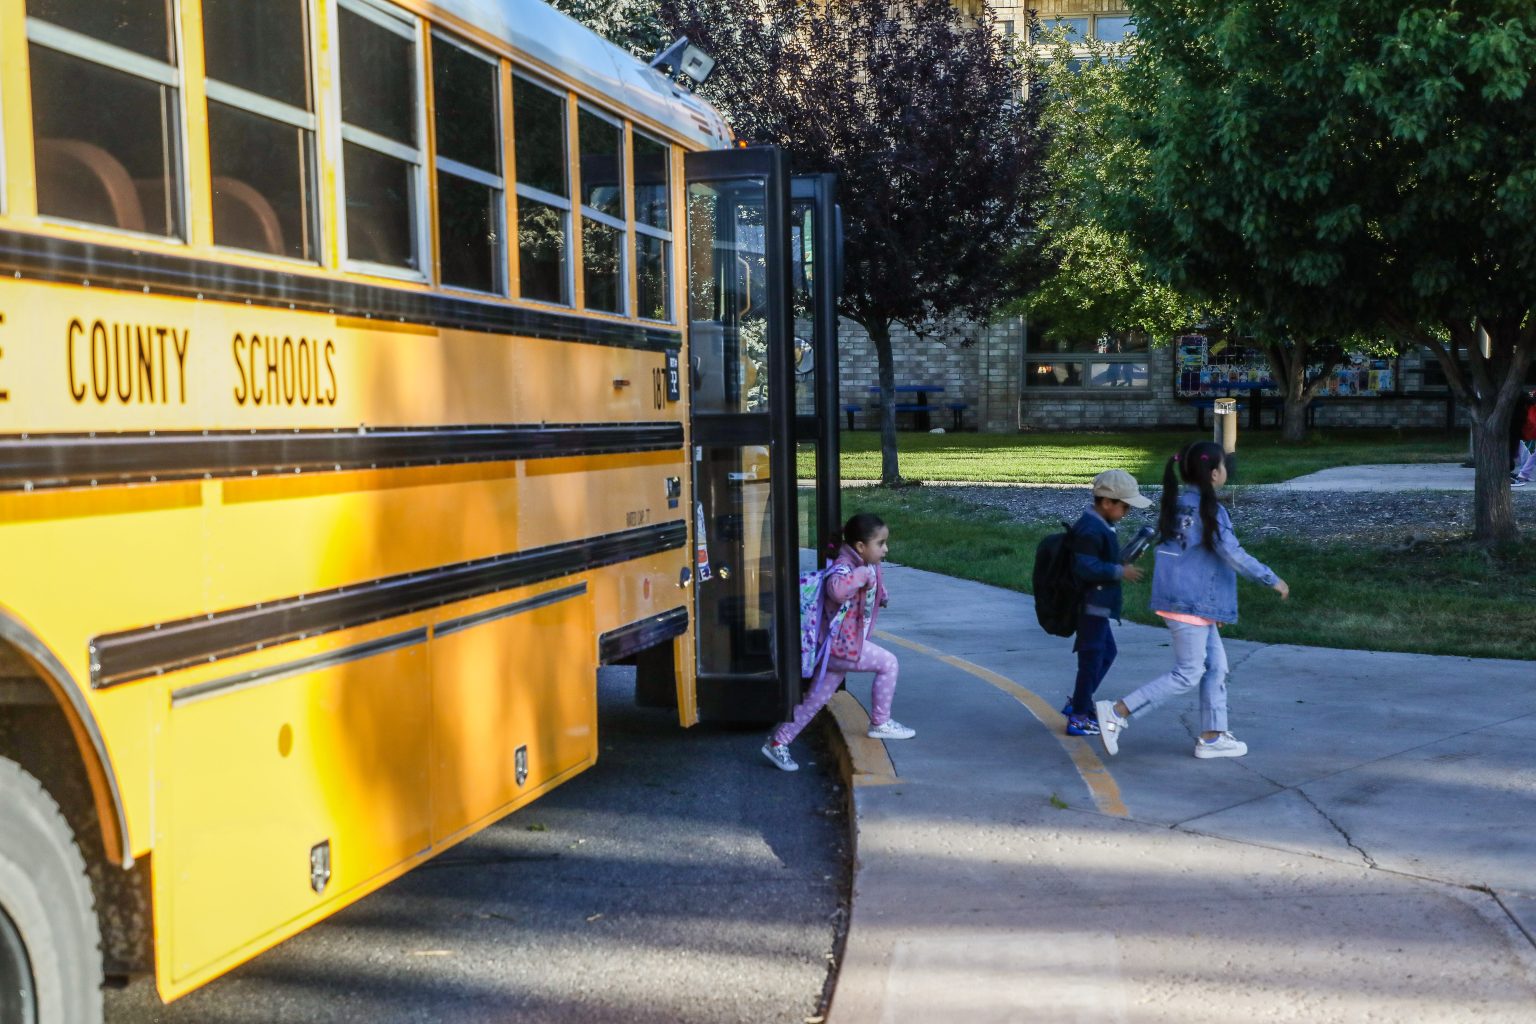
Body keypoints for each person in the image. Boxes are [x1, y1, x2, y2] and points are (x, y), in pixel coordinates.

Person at [1095, 441, 1289, 760]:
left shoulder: (1177, 504)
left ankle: (1213, 736)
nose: (1226, 471)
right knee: (1188, 672)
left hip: (1187, 600)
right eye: (1223, 466)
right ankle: (1118, 712)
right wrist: (1271, 578)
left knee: (1216, 667)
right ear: (1214, 474)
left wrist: (1213, 608)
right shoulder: (1210, 511)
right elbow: (1231, 554)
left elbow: (1191, 558)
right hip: (1190, 603)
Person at [762, 514, 913, 772]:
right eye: (881, 543)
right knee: (888, 663)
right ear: (860, 547)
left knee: (815, 700)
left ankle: (778, 742)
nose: (886, 549)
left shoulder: (867, 565)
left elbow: (871, 588)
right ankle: (880, 722)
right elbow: (837, 590)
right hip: (841, 647)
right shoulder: (845, 567)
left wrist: (880, 593)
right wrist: (861, 576)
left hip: (839, 647)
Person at [1059, 470, 1151, 737]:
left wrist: (1121, 559)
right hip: (1090, 606)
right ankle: (1078, 717)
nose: (1127, 512)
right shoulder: (1090, 528)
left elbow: (1098, 559)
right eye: (1125, 506)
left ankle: (1079, 703)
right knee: (1091, 659)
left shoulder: (1101, 524)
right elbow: (1085, 566)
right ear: (1108, 502)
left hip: (1098, 605)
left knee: (1106, 653)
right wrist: (1120, 571)